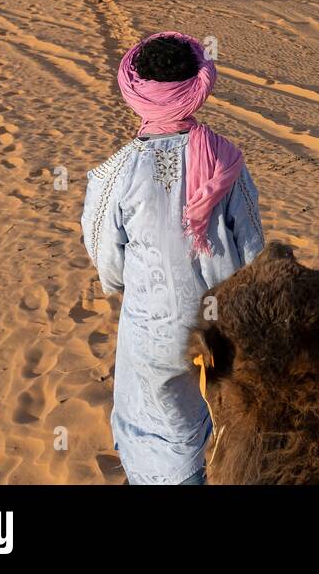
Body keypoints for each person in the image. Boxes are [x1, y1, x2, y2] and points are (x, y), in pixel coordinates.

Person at [82, 32, 265, 485]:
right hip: (223, 326)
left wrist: (135, 288)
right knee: (225, 422)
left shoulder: (116, 173)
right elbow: (253, 253)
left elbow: (107, 259)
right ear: (195, 89)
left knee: (157, 428)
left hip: (153, 327)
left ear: (135, 90)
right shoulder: (227, 163)